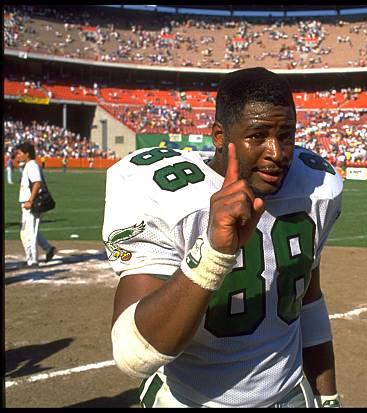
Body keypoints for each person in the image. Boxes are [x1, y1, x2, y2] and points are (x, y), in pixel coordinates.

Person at [103, 67, 343, 408]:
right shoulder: (170, 196)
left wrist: (328, 395)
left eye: (286, 135)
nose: (277, 152)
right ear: (219, 135)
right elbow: (134, 355)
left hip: (289, 395)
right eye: (257, 136)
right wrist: (214, 253)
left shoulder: (317, 189)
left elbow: (308, 299)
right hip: (192, 399)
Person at [15, 141, 56, 267]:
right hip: (29, 203)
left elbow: (37, 183)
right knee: (30, 230)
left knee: (29, 232)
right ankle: (48, 249)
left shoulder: (32, 165)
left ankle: (32, 260)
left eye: (20, 153)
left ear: (27, 154)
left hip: (31, 204)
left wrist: (30, 201)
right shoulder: (29, 165)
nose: (18, 155)